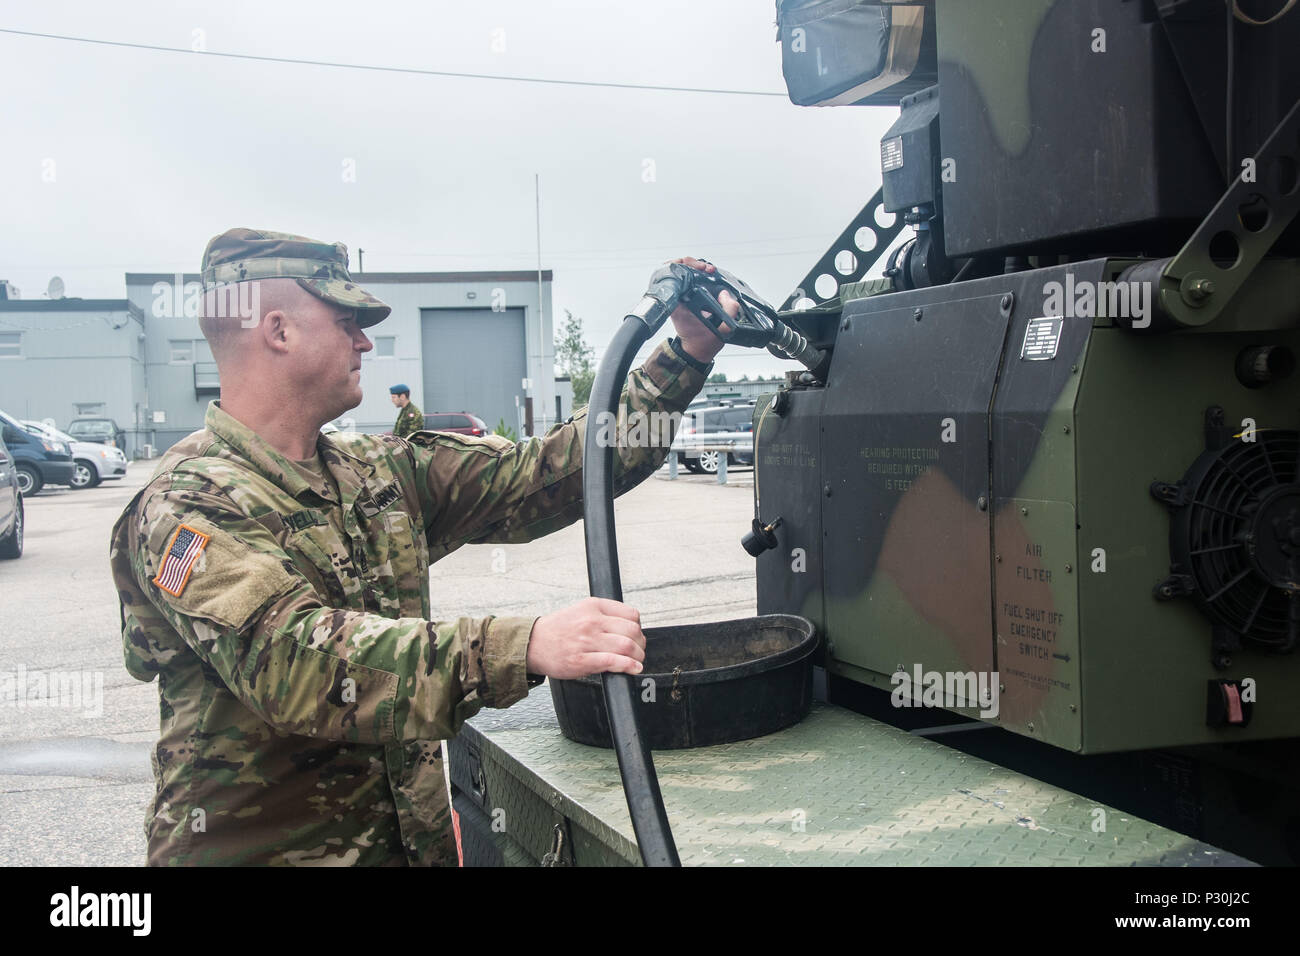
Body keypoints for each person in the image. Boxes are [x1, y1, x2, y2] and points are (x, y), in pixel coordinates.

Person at [109, 227, 733, 866]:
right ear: (278, 330)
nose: (365, 340)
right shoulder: (185, 505)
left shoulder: (378, 473)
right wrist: (524, 645)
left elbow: (553, 469)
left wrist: (686, 355)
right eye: (347, 319)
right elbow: (295, 662)